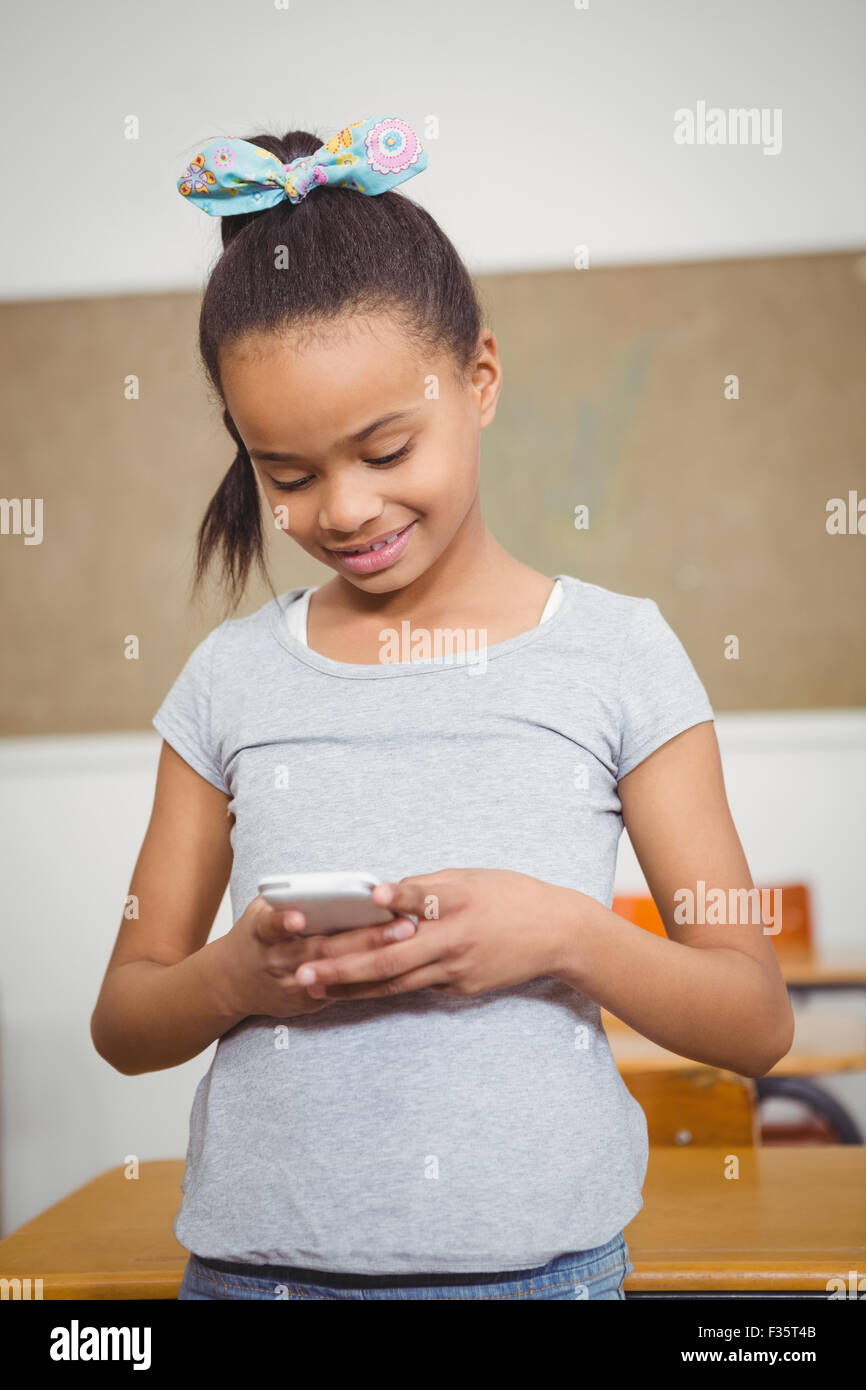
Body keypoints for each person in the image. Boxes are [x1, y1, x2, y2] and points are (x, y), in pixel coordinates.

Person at [90, 115, 794, 1301]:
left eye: (385, 447)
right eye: (289, 475)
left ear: (477, 378)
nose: (347, 510)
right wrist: (240, 978)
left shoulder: (621, 653)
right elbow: (126, 1016)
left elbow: (755, 1019)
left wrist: (562, 930)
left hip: (536, 1279)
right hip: (254, 1278)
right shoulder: (228, 679)